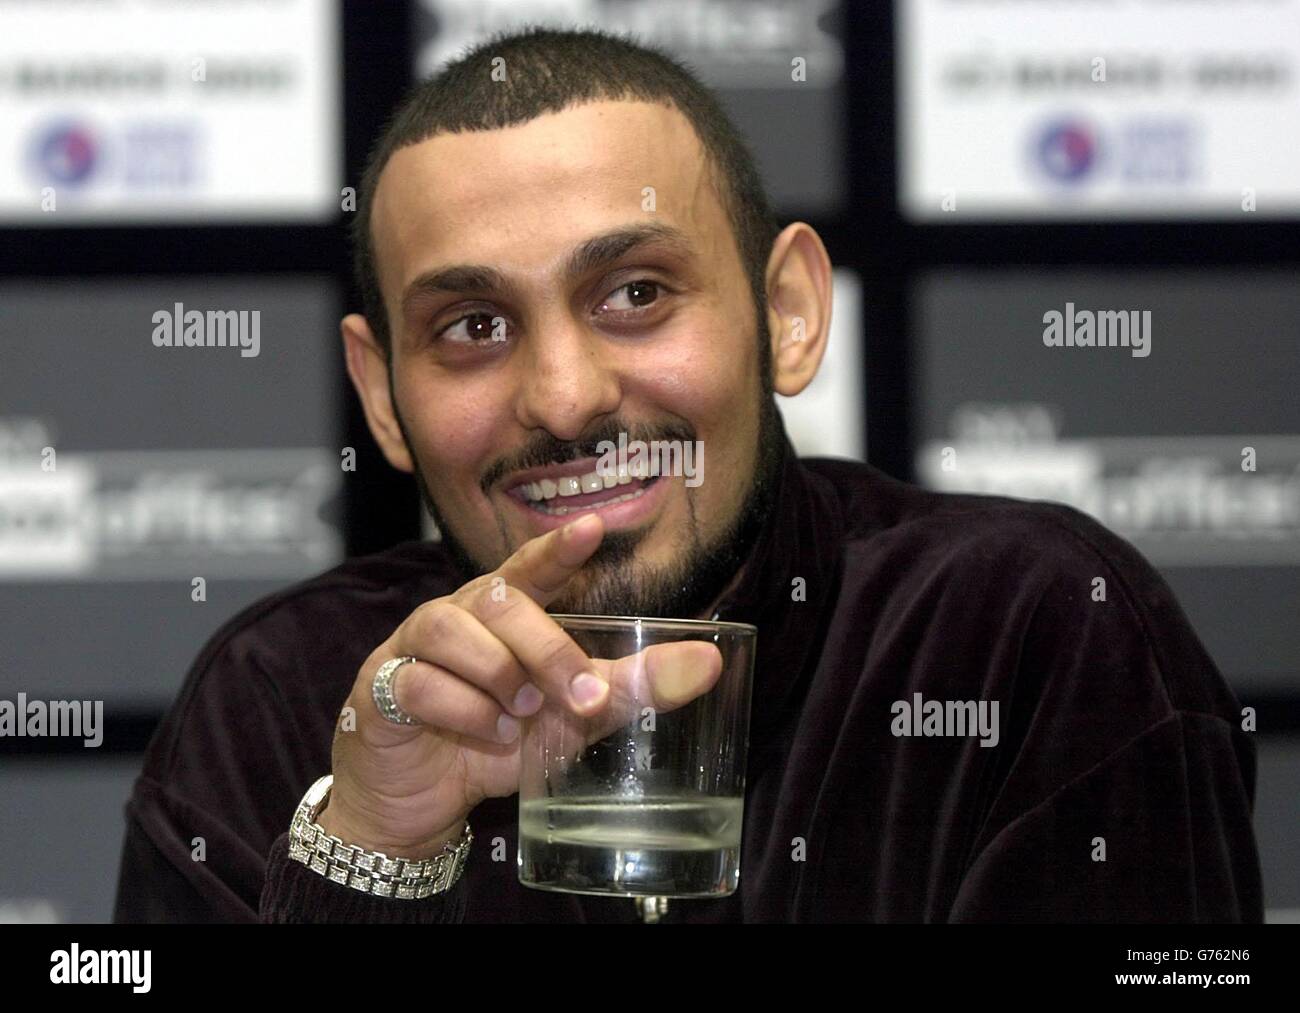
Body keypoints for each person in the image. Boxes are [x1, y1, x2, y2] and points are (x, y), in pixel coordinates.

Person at [112, 26, 1263, 923]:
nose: (563, 397)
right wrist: (370, 858)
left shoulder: (1028, 629)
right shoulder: (276, 704)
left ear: (789, 315)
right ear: (383, 396)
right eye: (472, 323)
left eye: (635, 294)